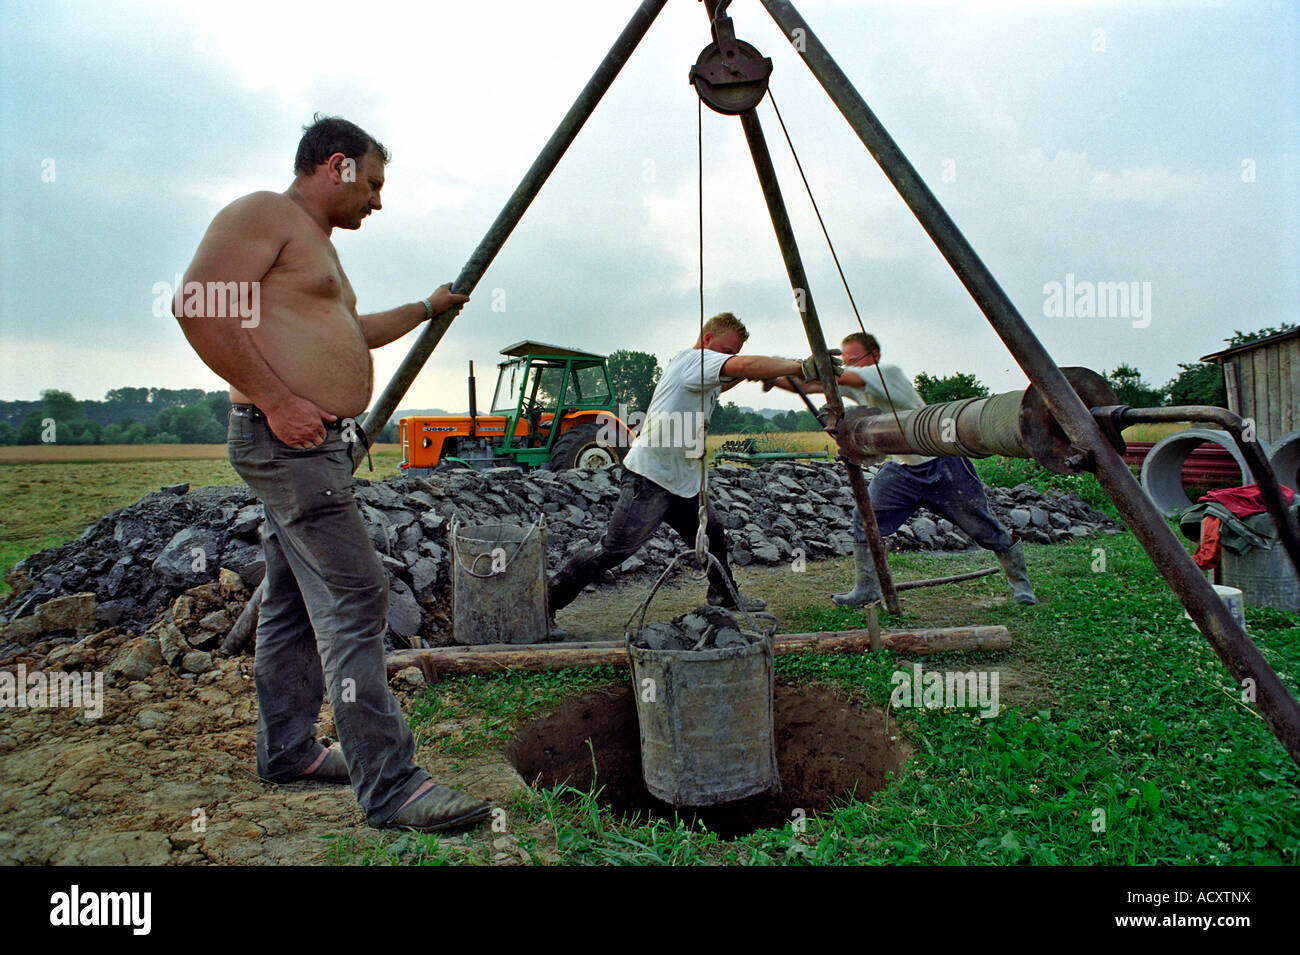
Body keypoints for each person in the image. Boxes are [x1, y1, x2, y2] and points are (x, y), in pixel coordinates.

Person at [173, 115, 491, 832]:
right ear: (338, 166)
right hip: (286, 442)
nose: (377, 202)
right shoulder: (267, 214)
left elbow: (351, 332)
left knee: (290, 600)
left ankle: (288, 751)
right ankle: (393, 785)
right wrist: (277, 398)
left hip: (314, 447)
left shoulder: (315, 251)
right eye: (372, 184)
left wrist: (425, 308)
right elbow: (196, 303)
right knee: (357, 590)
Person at [547, 313, 840, 617]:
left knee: (712, 532)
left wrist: (796, 374)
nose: (730, 359)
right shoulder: (692, 361)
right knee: (614, 550)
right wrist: (798, 366)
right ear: (707, 339)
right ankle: (548, 600)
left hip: (682, 480)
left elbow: (744, 371)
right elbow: (744, 366)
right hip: (650, 477)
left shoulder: (704, 374)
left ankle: (723, 596)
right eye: (726, 351)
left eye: (734, 354)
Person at [767, 331, 1036, 606]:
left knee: (984, 527)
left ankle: (1021, 585)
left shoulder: (887, 373)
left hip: (944, 464)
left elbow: (837, 377)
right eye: (844, 361)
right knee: (865, 518)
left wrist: (797, 367)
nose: (848, 366)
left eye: (854, 360)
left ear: (874, 356)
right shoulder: (859, 384)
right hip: (904, 471)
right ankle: (867, 588)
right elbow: (813, 386)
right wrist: (773, 376)